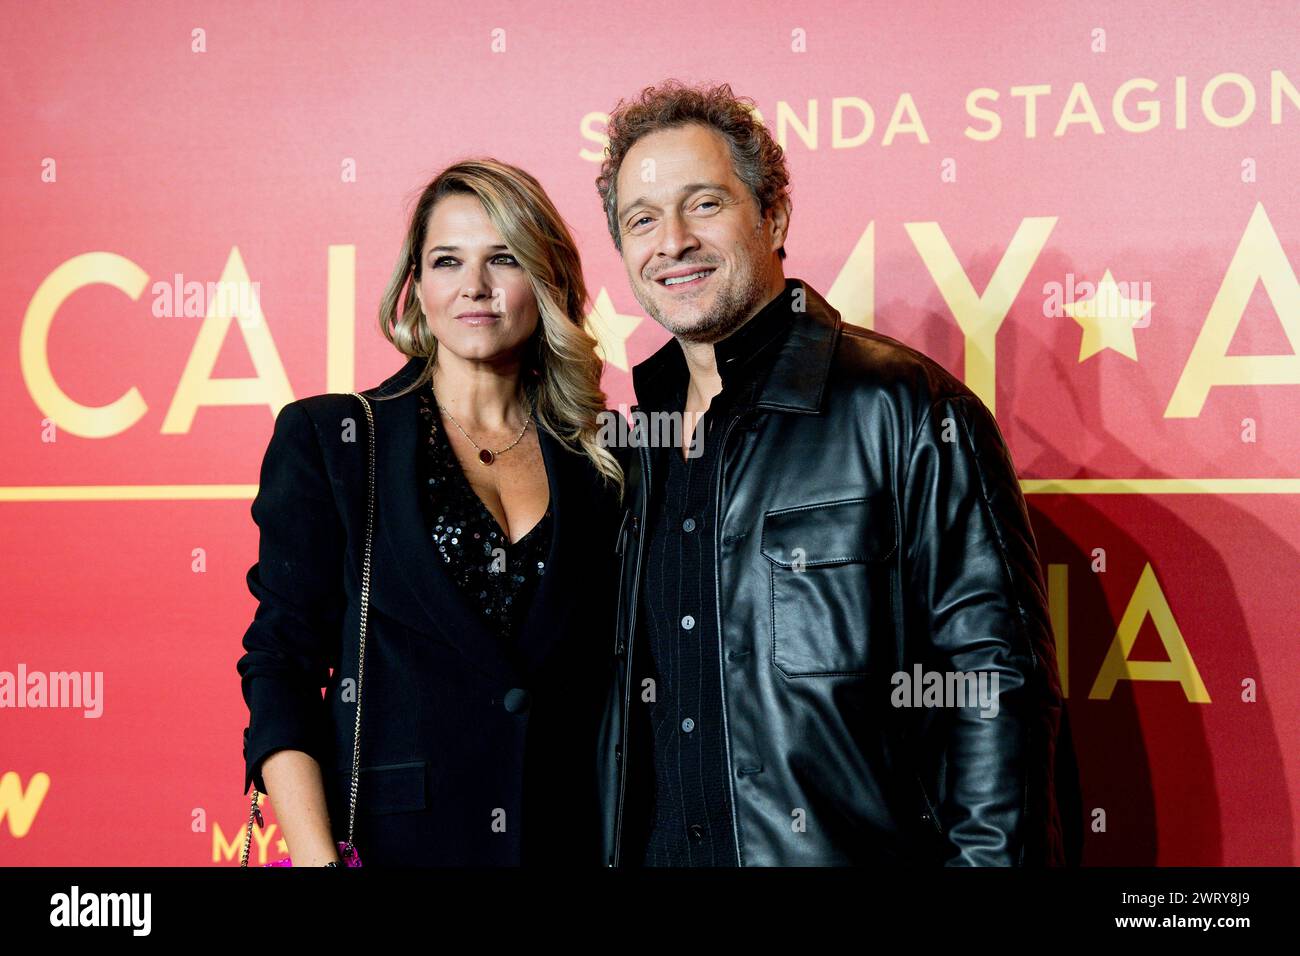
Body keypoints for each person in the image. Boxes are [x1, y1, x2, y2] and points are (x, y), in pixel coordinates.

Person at [593, 81, 1069, 866]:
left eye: (703, 205)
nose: (670, 241)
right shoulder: (624, 448)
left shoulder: (904, 407)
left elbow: (993, 688)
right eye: (642, 220)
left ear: (773, 215)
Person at [237, 159, 623, 866]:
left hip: (564, 844)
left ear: (547, 279)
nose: (474, 287)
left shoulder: (603, 462)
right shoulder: (334, 441)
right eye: (447, 261)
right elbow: (280, 667)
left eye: (503, 258)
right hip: (396, 847)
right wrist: (321, 862)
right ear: (417, 285)